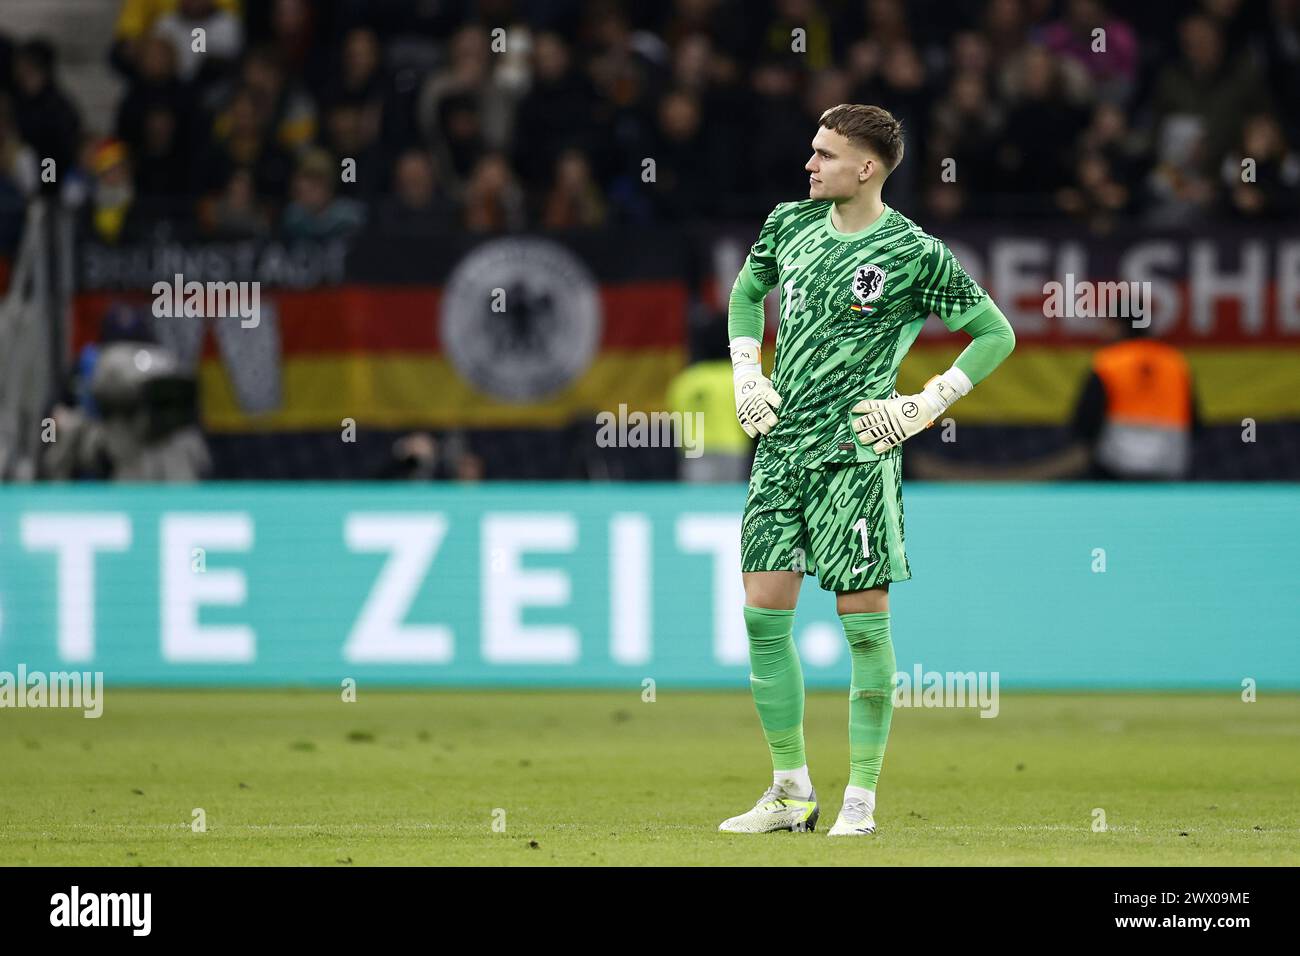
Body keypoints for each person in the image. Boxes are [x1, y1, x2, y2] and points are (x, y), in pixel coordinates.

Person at [720, 104, 1015, 837]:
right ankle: (790, 790)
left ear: (867, 167)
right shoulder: (787, 225)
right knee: (763, 618)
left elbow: (993, 332)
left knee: (863, 629)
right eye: (812, 151)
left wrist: (922, 406)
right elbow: (746, 294)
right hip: (782, 446)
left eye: (824, 154)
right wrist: (746, 374)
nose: (810, 164)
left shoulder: (914, 252)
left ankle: (861, 798)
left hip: (857, 450)